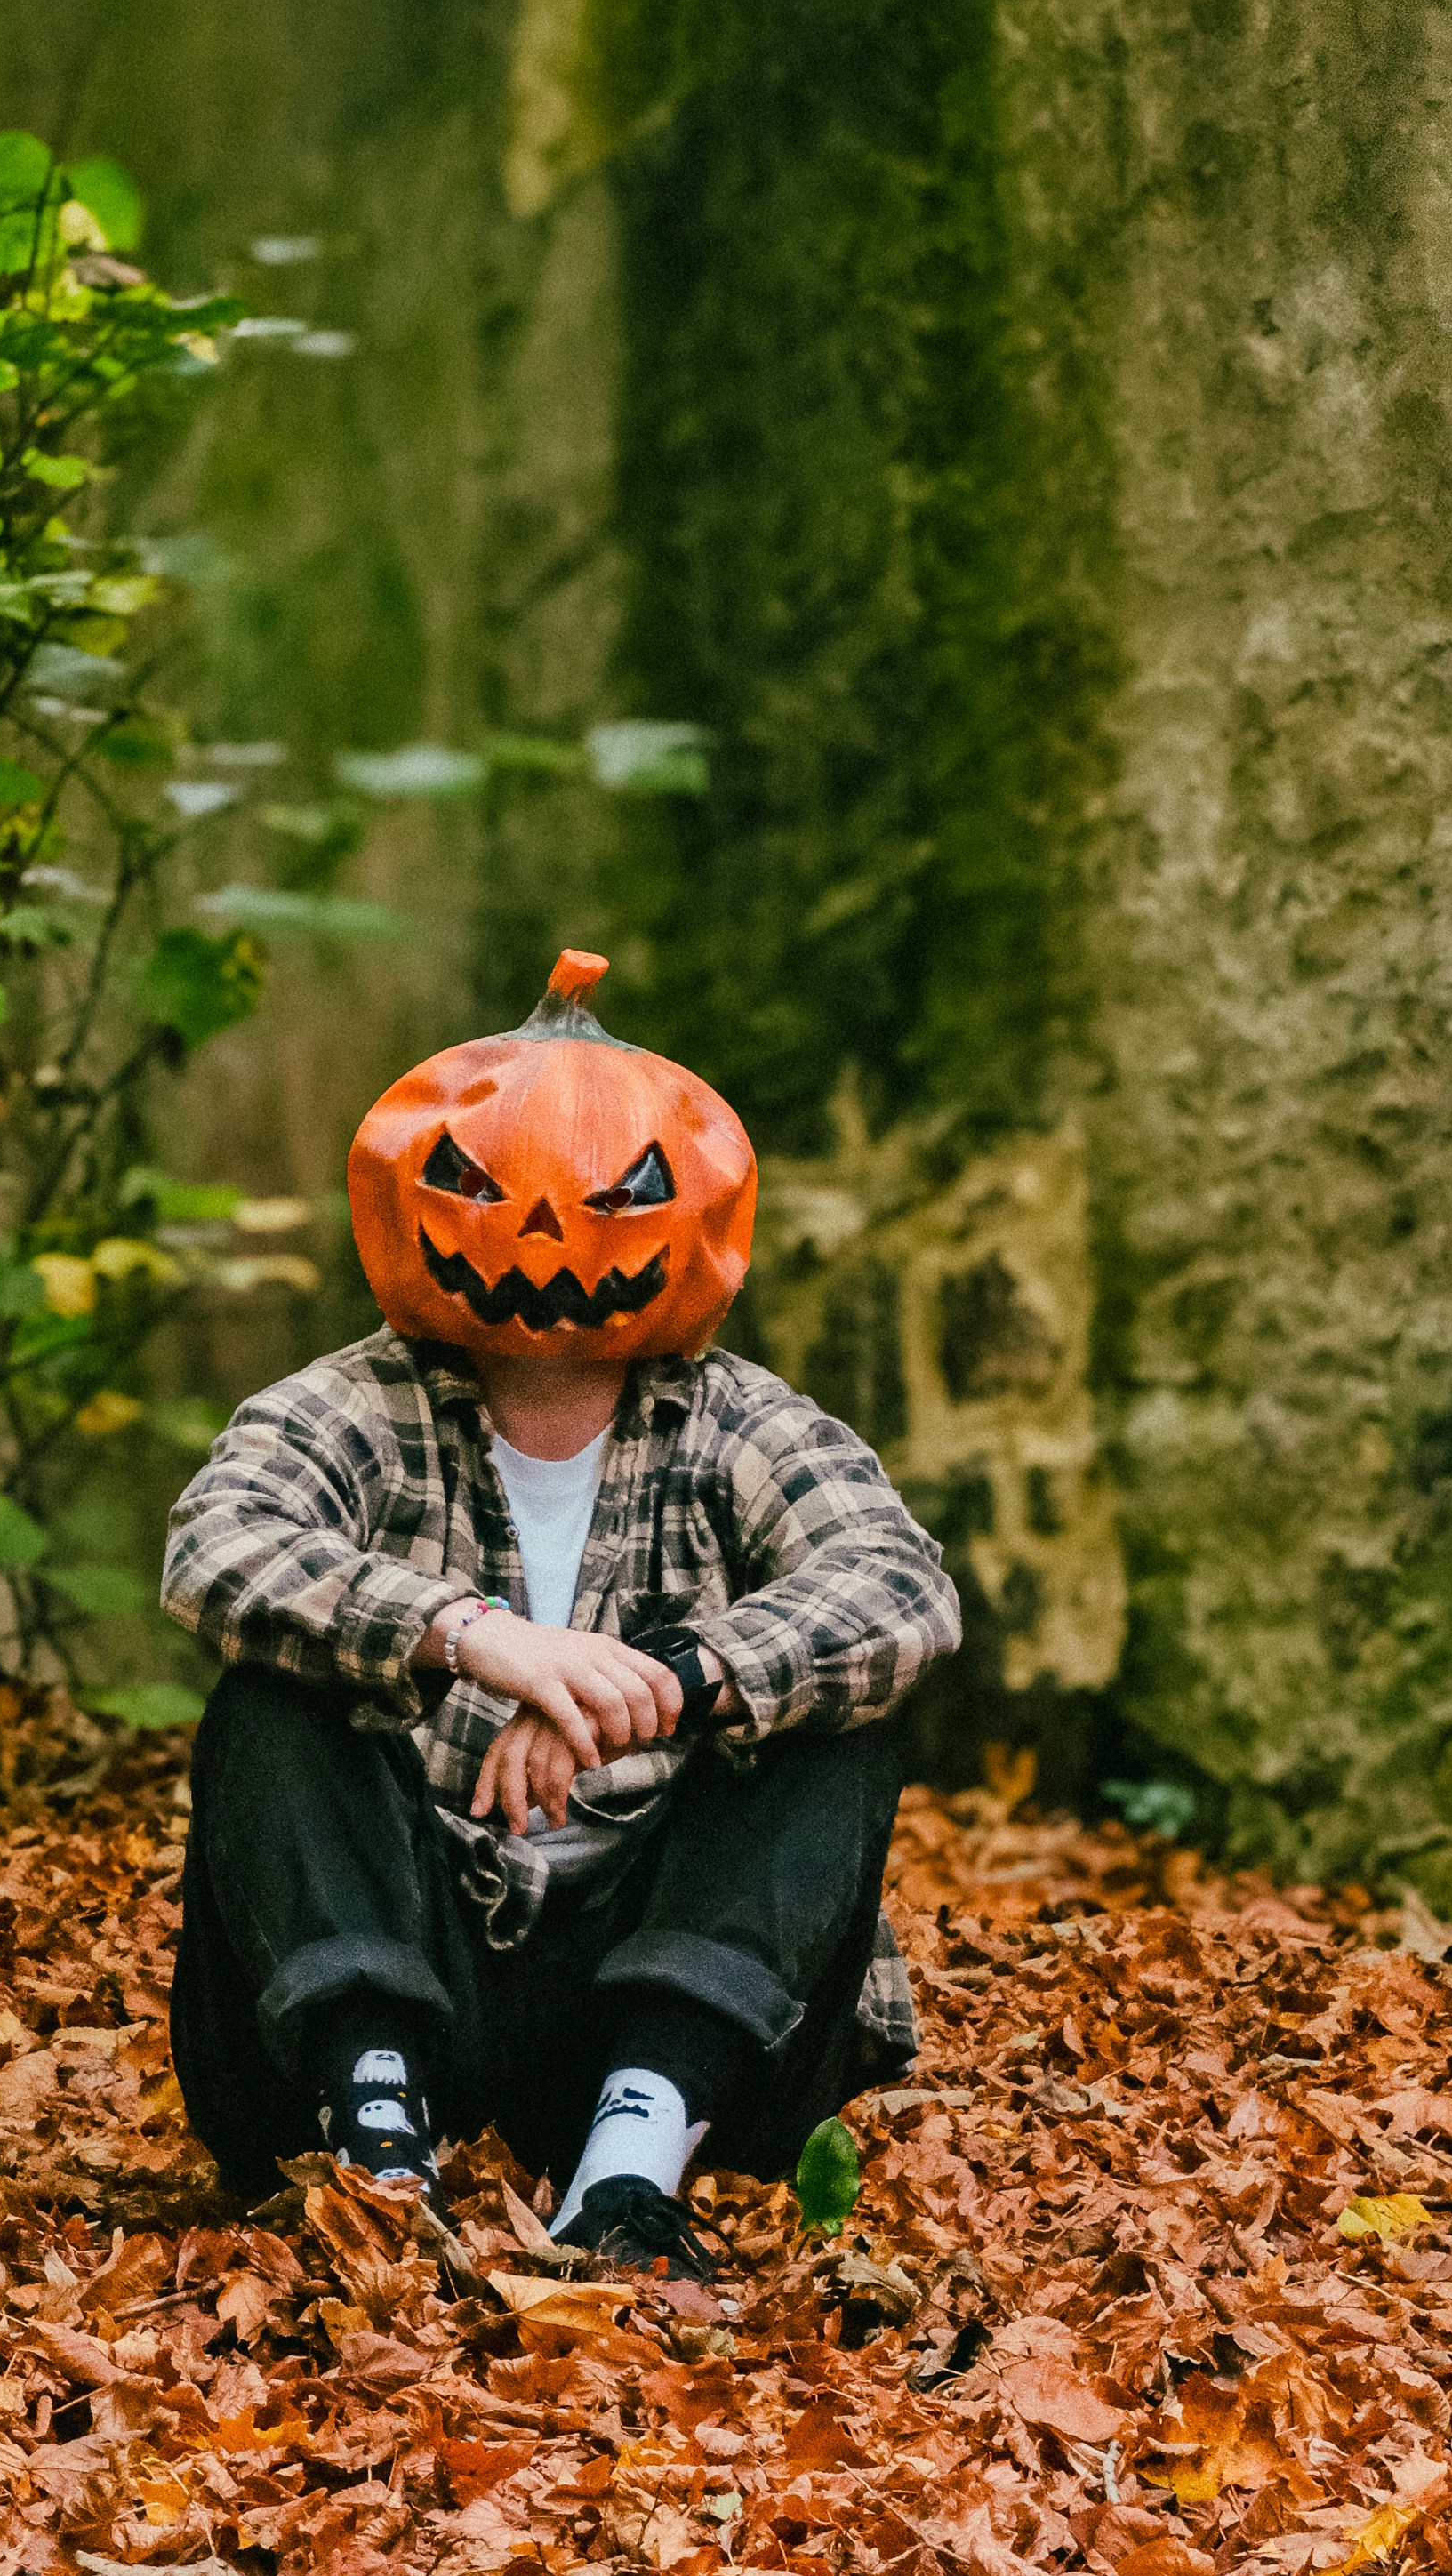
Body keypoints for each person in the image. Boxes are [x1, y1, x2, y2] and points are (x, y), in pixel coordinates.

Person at [159, 949, 959, 2272]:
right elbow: (219, 1543)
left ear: (690, 1211)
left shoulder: (735, 1419)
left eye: (620, 1197)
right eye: (478, 1189)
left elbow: (898, 1583)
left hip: (660, 2007)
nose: (543, 1236)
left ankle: (630, 2175)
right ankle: (378, 2151)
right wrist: (479, 1637)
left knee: (836, 1718)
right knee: (273, 1693)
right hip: (407, 1974)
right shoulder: (355, 1405)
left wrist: (658, 1684)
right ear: (413, 1199)